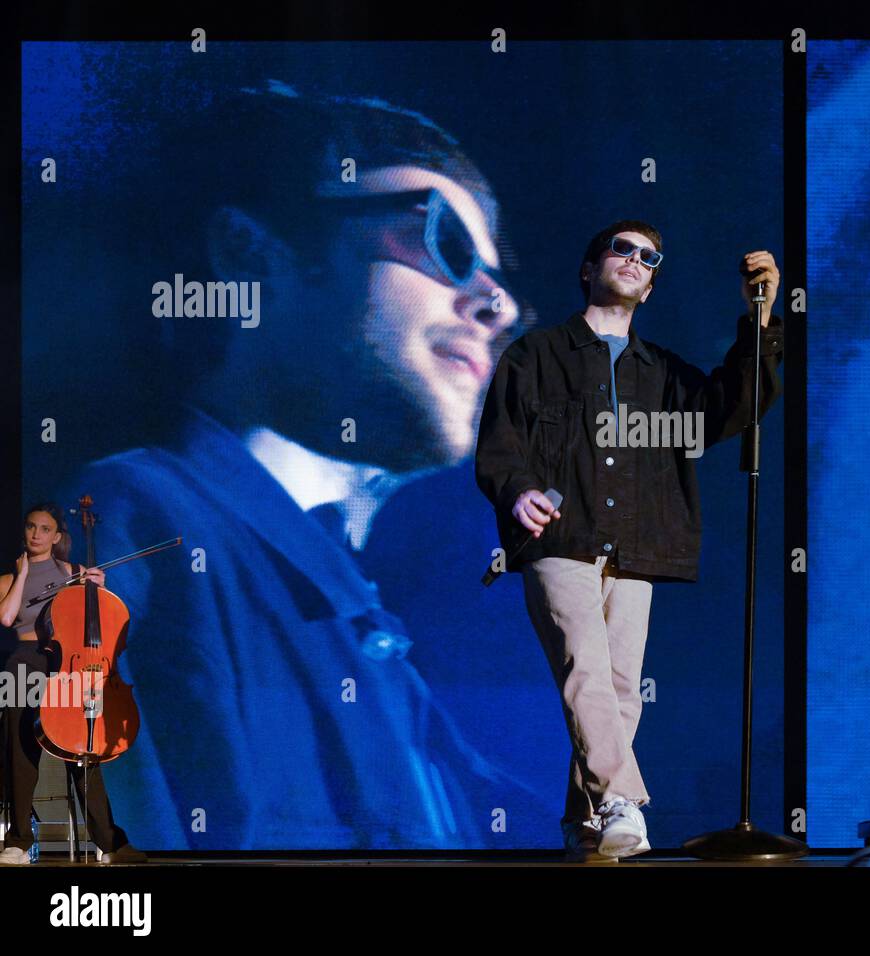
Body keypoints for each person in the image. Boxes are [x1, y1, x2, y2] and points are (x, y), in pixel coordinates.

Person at [66, 82, 536, 848]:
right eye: (444, 242)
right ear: (250, 255)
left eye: (496, 275)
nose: (498, 304)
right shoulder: (131, 524)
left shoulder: (374, 638)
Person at [475, 220, 784, 861]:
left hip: (635, 546)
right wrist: (518, 491)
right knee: (584, 669)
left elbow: (730, 409)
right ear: (590, 268)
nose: (637, 261)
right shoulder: (535, 356)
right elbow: (502, 444)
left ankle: (584, 825)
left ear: (649, 288)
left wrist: (761, 318)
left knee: (618, 692)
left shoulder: (662, 373)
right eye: (623, 249)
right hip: (562, 539)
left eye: (651, 258)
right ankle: (624, 802)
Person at [0, 503, 146, 864]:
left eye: (45, 529)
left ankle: (108, 842)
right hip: (25, 664)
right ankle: (18, 840)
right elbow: (6, 617)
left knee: (84, 751)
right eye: (31, 527)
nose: (36, 534)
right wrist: (21, 574)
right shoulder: (7, 578)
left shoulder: (76, 572)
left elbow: (94, 621)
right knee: (20, 752)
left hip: (68, 667)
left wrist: (96, 588)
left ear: (57, 536)